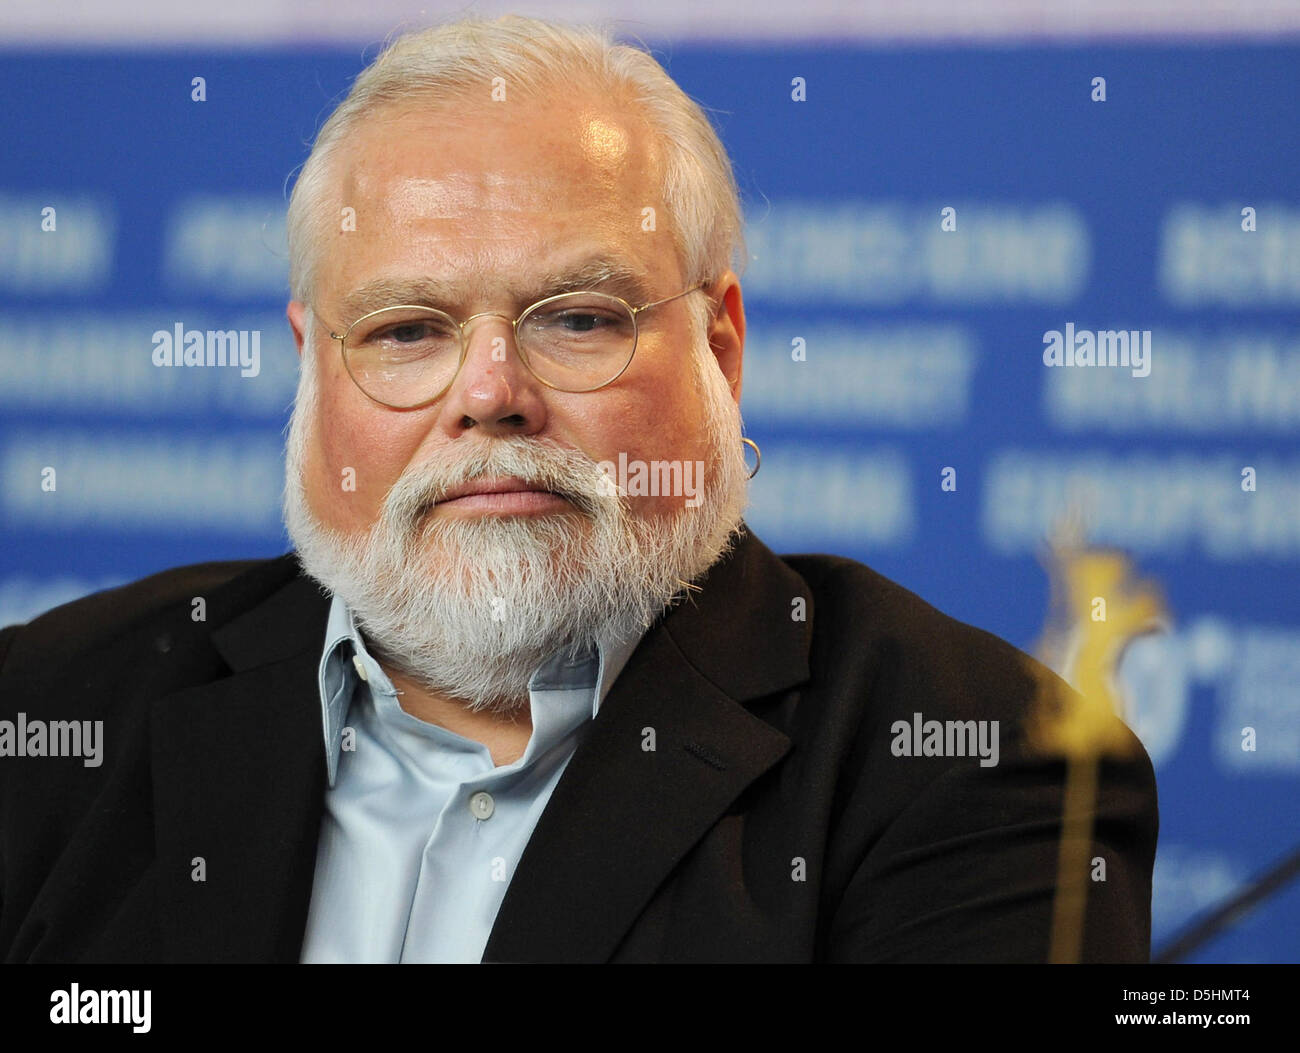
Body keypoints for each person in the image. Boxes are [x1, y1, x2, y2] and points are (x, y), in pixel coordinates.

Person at [0, 14, 1156, 963]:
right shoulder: (55, 707)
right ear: (310, 362)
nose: (490, 393)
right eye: (407, 331)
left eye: (579, 320)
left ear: (723, 346)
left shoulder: (972, 766)